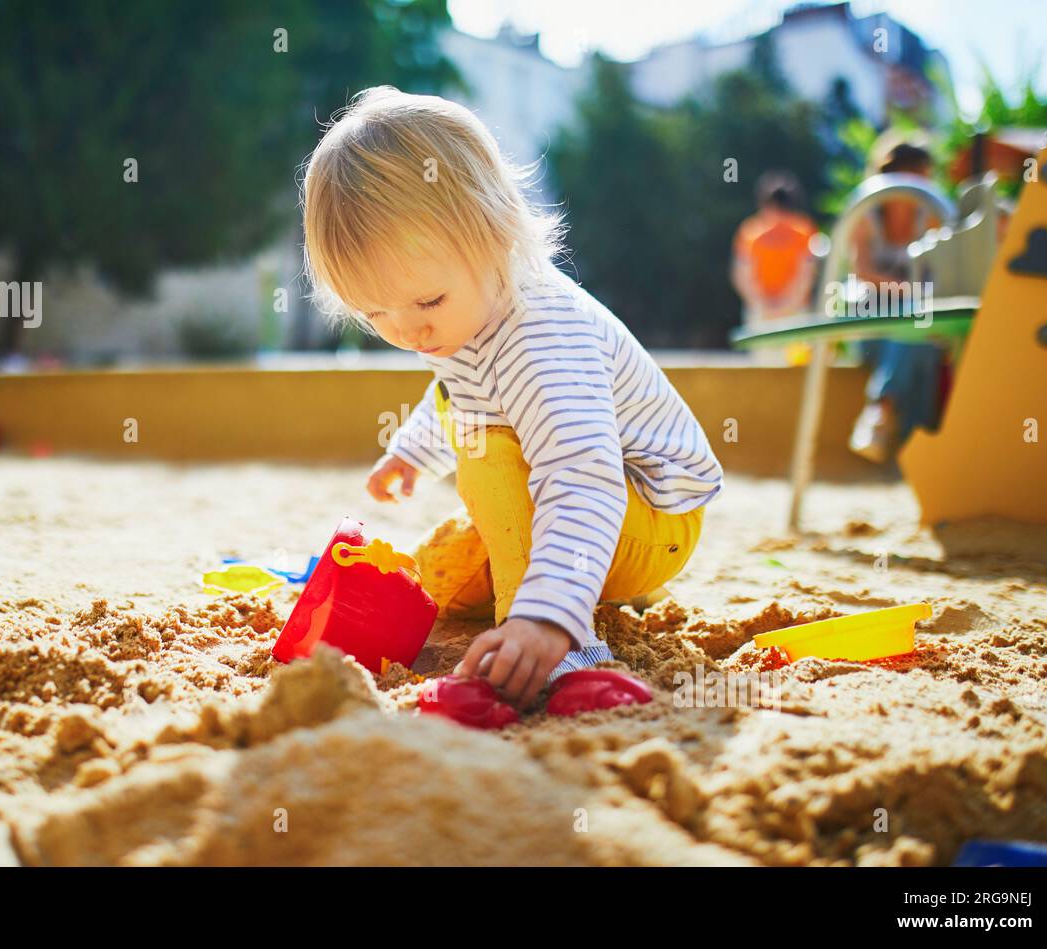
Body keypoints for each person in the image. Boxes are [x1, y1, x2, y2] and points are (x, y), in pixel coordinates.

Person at [301, 87, 723, 709]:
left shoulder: (542, 340)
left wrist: (547, 623)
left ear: (496, 234)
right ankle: (549, 593)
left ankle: (570, 656)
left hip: (644, 516)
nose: (408, 332)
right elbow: (456, 386)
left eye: (426, 303)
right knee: (439, 579)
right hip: (589, 508)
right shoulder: (464, 312)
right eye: (375, 312)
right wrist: (413, 453)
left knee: (494, 455)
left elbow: (582, 478)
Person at [847, 141, 946, 462]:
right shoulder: (867, 213)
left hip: (912, 322)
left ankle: (880, 415)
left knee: (921, 341)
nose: (920, 185)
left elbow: (943, 272)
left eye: (925, 177)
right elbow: (863, 272)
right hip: (869, 324)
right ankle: (913, 449)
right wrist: (908, 291)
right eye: (915, 176)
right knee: (918, 335)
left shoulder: (930, 214)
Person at [731, 170, 820, 362]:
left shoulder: (804, 231)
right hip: (760, 313)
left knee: (795, 364)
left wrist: (786, 305)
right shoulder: (750, 232)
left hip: (796, 313)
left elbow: (807, 273)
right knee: (763, 364)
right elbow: (742, 274)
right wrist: (763, 304)